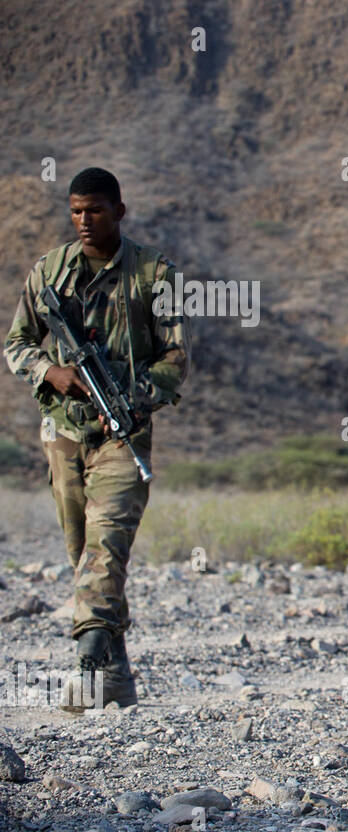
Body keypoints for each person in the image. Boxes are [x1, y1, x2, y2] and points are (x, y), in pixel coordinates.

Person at [5, 167, 189, 711]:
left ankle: (86, 669)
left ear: (119, 212)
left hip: (121, 435)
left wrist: (132, 402)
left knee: (105, 548)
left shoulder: (155, 274)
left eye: (96, 211)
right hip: (63, 432)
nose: (85, 221)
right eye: (76, 212)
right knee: (84, 556)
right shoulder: (49, 271)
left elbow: (174, 359)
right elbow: (16, 342)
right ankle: (118, 676)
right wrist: (50, 372)